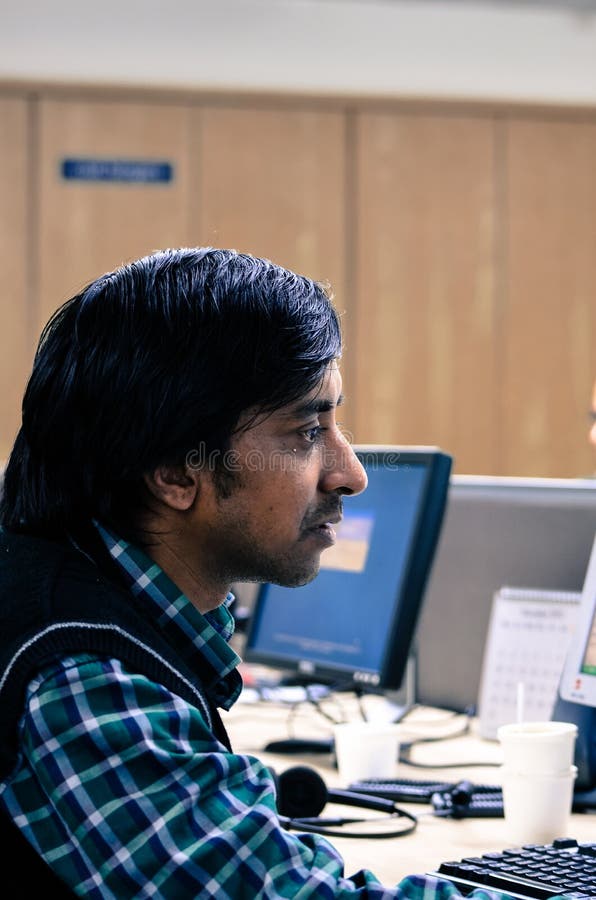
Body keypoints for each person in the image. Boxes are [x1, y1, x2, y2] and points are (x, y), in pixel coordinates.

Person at [0, 248, 499, 898]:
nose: (351, 473)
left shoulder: (67, 592)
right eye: (307, 431)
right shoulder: (85, 683)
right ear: (177, 471)